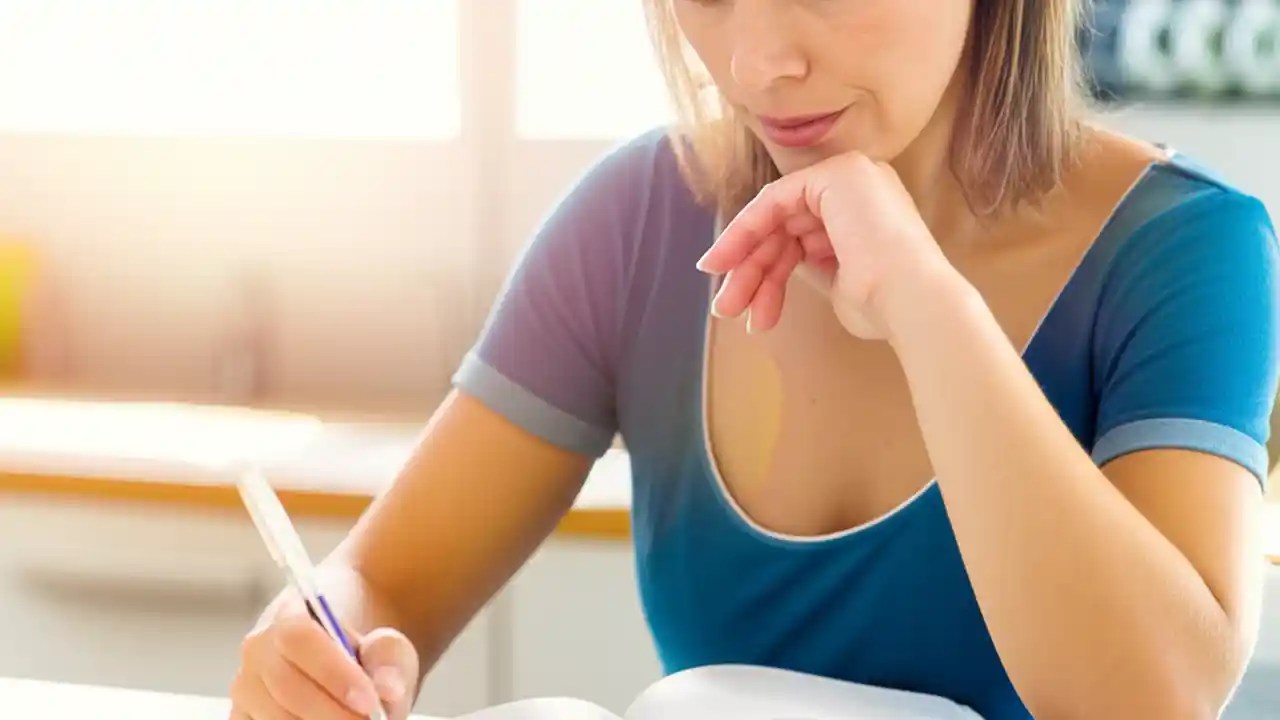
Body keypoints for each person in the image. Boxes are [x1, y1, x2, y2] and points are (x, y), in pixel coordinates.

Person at [228, 2, 1280, 718]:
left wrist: (924, 304)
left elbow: (1157, 697)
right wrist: (318, 643)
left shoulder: (1188, 250)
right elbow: (382, 582)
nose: (755, 63)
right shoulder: (641, 220)